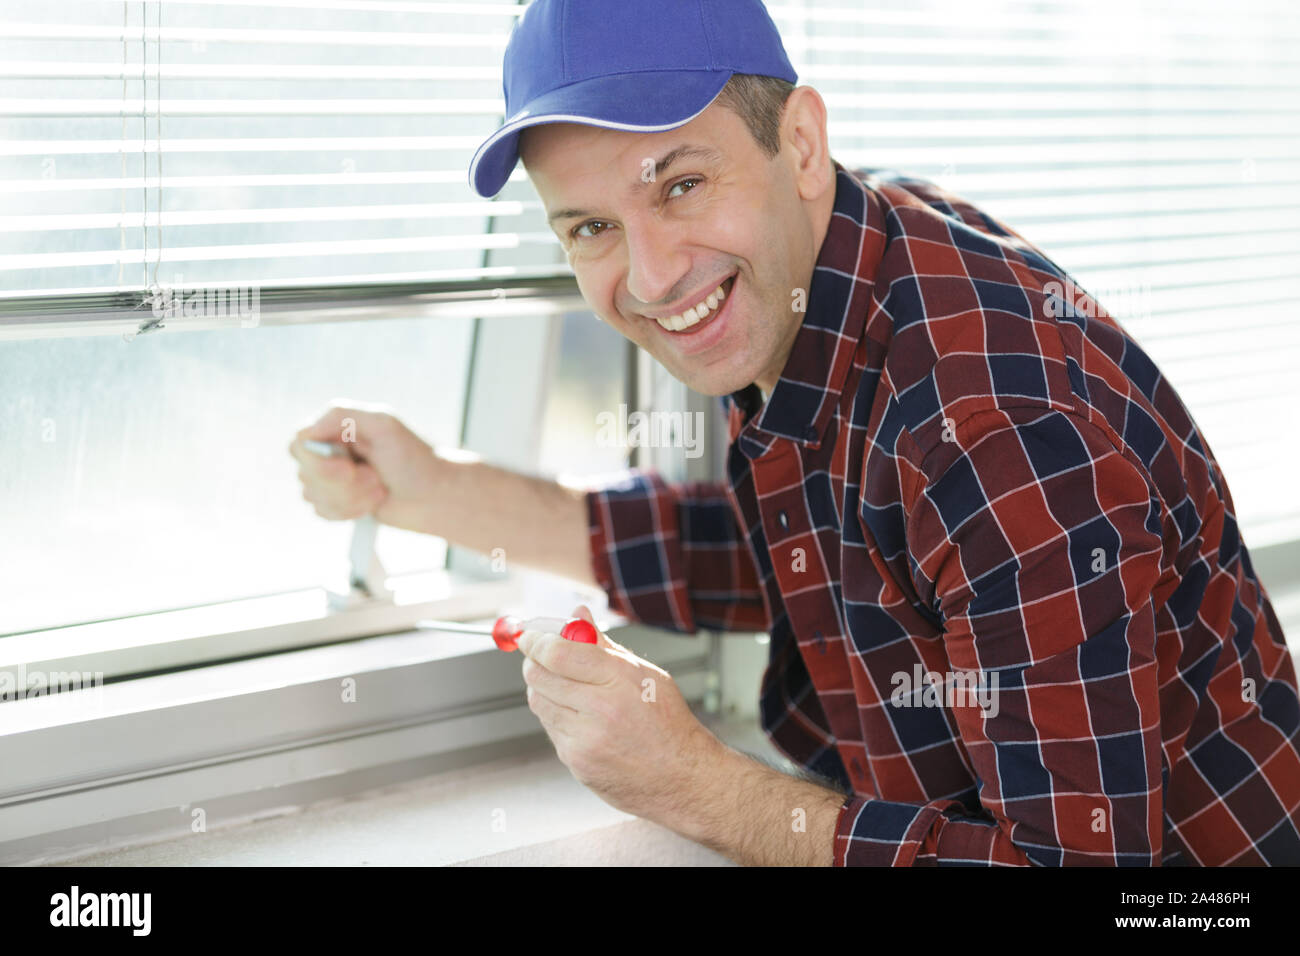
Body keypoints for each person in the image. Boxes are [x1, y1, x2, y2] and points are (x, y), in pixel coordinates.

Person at [290, 0, 1300, 865]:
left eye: (678, 183)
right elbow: (817, 551)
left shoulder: (988, 431)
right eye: (590, 227)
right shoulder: (840, 277)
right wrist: (431, 492)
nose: (648, 277)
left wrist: (697, 785)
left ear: (801, 145)